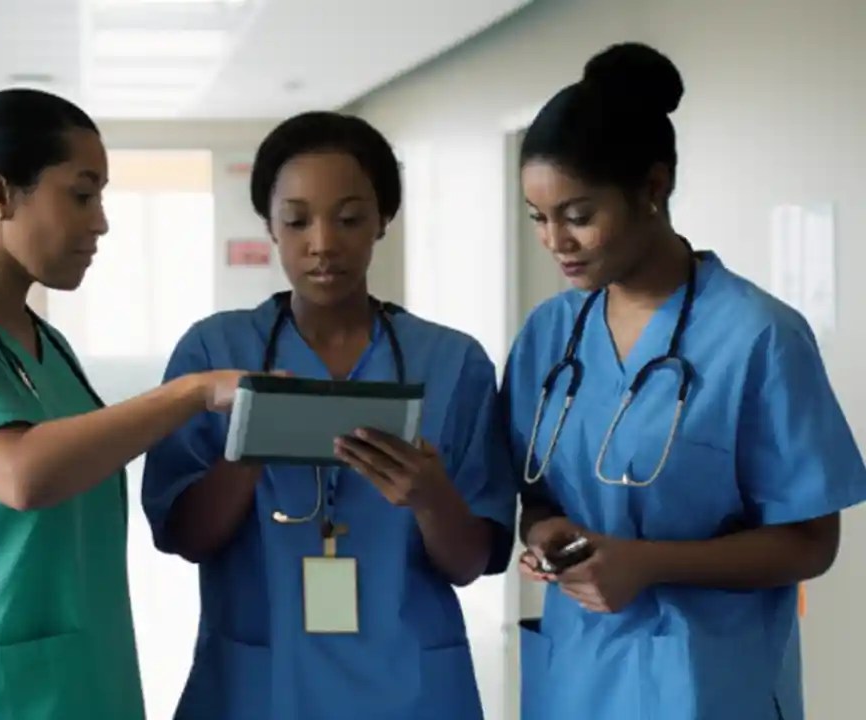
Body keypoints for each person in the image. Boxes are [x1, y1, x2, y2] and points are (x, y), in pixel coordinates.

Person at [503, 43, 866, 720]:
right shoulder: (550, 338)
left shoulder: (759, 336)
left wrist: (647, 563)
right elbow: (537, 496)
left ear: (653, 188)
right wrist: (545, 535)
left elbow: (813, 542)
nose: (556, 240)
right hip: (579, 674)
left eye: (578, 215)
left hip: (711, 683)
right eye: (539, 218)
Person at [0, 88, 251, 720]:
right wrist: (193, 392)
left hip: (81, 684)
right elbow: (22, 473)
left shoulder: (48, 344)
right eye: (81, 194)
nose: (100, 220)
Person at [141, 111, 518, 720]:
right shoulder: (216, 354)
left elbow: (472, 561)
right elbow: (183, 538)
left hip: (412, 689)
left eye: (348, 218)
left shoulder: (453, 363)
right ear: (269, 224)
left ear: (383, 220)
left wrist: (431, 496)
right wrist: (249, 449)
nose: (322, 242)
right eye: (296, 220)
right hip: (261, 684)